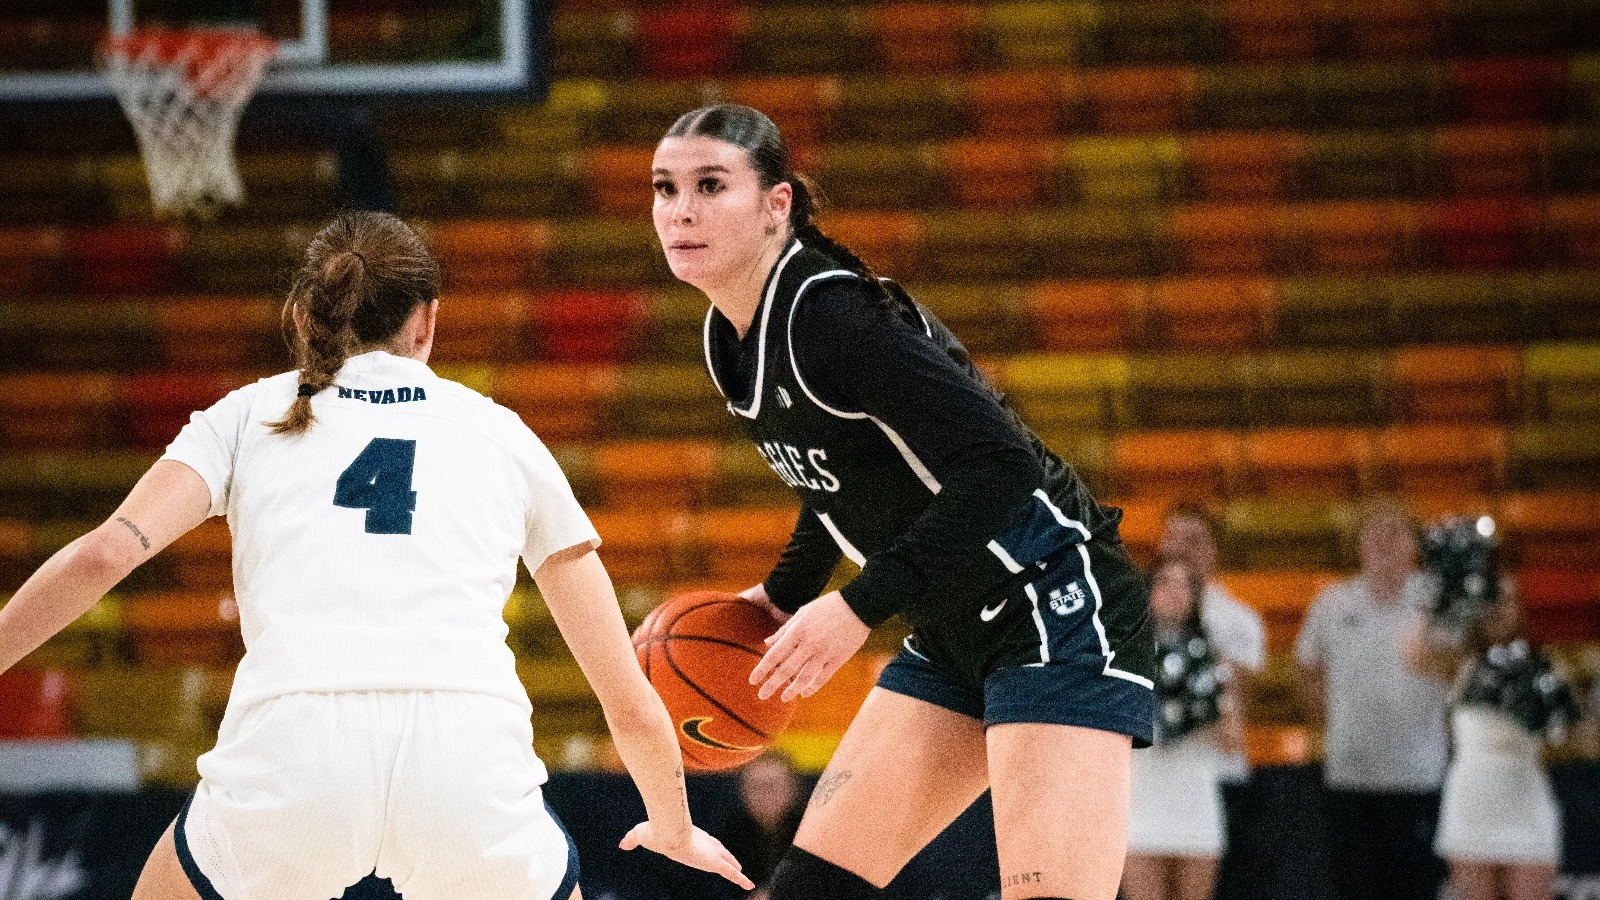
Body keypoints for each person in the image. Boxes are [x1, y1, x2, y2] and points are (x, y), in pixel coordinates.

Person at [0, 212, 750, 900]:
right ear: (427, 322)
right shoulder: (502, 433)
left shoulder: (245, 414)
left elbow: (102, 559)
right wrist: (674, 827)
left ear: (303, 314)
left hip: (295, 758)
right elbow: (624, 695)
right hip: (463, 761)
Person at [650, 103, 1156, 900]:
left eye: (711, 185)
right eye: (665, 188)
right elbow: (834, 480)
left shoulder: (831, 315)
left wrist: (856, 607)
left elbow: (1001, 465)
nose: (681, 210)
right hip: (952, 620)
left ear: (776, 203)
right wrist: (781, 597)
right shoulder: (728, 335)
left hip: (1051, 601)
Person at [1294, 498, 1449, 900]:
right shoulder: (1333, 602)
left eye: (1394, 532)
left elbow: (1461, 667)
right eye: (1373, 533)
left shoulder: (1435, 600)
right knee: (1353, 888)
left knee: (1415, 889)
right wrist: (1333, 723)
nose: (1383, 542)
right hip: (1350, 776)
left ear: (1413, 544)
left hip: (1419, 776)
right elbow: (1306, 668)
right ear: (1359, 543)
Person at [1407, 581, 1580, 900]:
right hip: (1472, 799)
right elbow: (1415, 655)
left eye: (1508, 601)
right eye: (1490, 600)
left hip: (1525, 796)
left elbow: (1572, 734)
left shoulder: (1546, 664)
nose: (1499, 608)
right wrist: (1436, 602)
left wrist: (1551, 710)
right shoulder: (1460, 663)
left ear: (1519, 610)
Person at [1122, 559, 1239, 900]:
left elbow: (1233, 740)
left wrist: (1184, 715)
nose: (1173, 592)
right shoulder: (1123, 657)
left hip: (1194, 797)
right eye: (1164, 583)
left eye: (1183, 585)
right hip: (1140, 797)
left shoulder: (1213, 658)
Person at [1157, 502, 1265, 779]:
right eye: (1172, 538)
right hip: (1155, 770)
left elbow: (1236, 700)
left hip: (1216, 769)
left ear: (1213, 550)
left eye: (1192, 541)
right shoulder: (1133, 617)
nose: (1179, 550)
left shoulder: (1240, 620)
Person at [720, 751, 807, 899]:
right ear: (743, 791)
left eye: (772, 786)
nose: (764, 795)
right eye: (755, 786)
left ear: (792, 788)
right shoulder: (730, 834)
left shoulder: (810, 834)